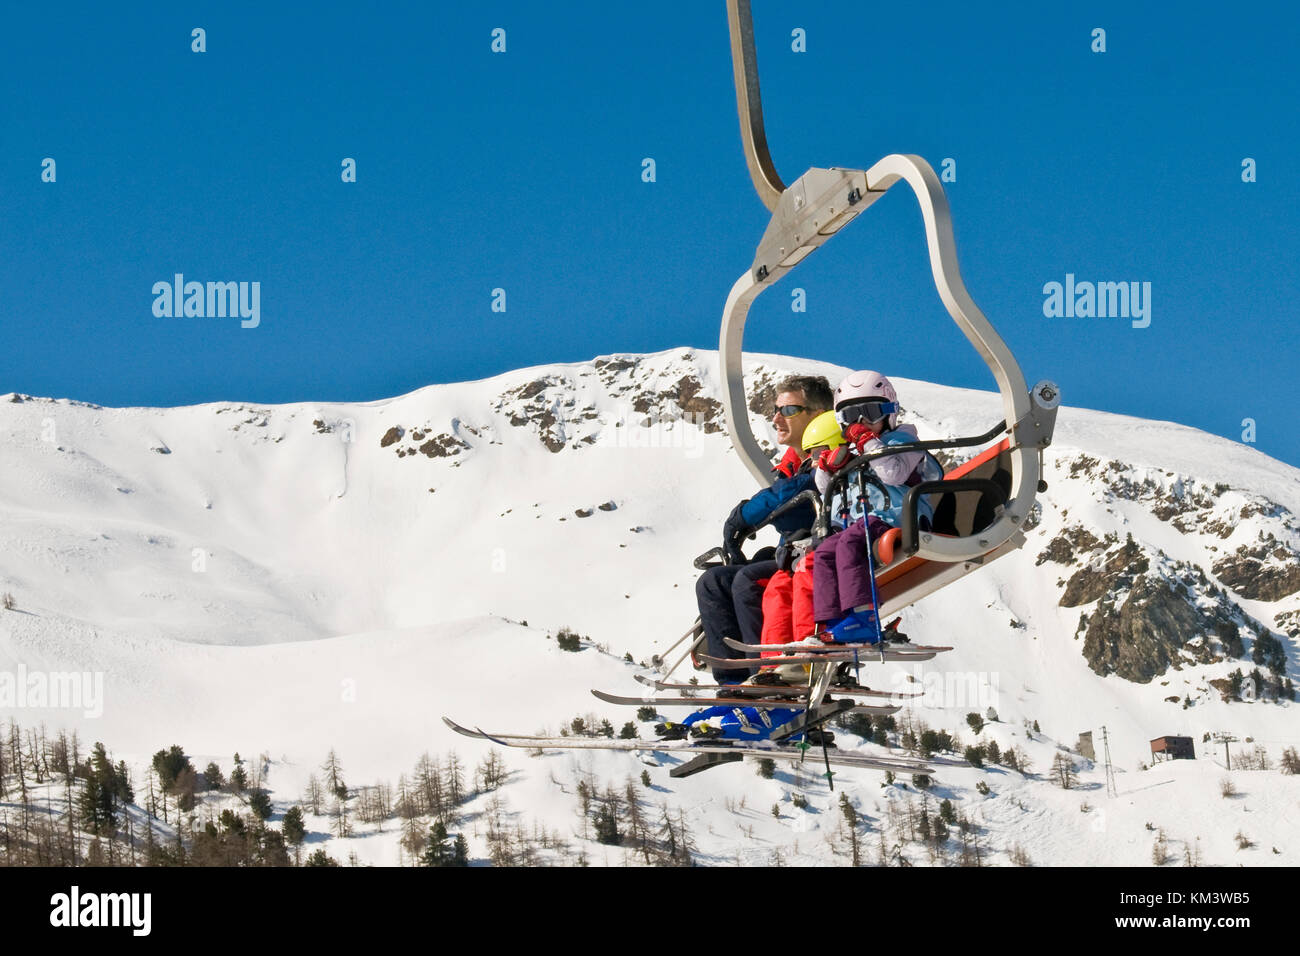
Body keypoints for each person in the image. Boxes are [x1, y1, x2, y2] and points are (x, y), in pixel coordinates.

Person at [695, 375, 834, 682]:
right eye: (775, 410)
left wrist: (742, 518)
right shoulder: (792, 464)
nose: (776, 419)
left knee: (747, 580)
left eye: (787, 411)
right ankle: (733, 682)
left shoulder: (829, 456)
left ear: (817, 415)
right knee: (713, 582)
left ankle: (768, 676)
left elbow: (787, 497)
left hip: (820, 555)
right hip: (795, 553)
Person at [811, 370, 944, 642]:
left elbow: (893, 474)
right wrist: (827, 468)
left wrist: (866, 442)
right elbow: (825, 490)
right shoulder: (857, 451)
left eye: (870, 412)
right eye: (851, 417)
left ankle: (864, 617)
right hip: (862, 525)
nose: (861, 422)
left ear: (888, 412)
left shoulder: (904, 441)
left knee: (849, 542)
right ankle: (836, 623)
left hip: (898, 519)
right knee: (824, 553)